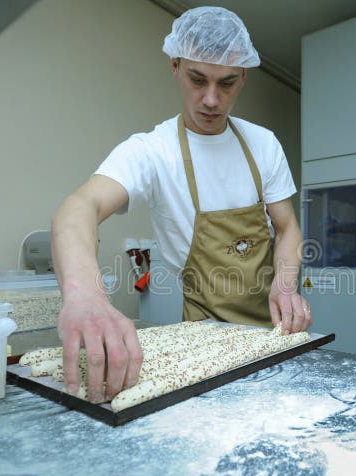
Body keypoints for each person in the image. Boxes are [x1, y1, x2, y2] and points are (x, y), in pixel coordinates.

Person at [51, 6, 311, 404]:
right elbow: (80, 206)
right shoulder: (152, 152)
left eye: (226, 83)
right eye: (197, 79)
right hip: (202, 341)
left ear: (243, 76)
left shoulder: (263, 145)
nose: (211, 99)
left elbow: (287, 227)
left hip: (275, 333)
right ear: (175, 66)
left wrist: (286, 285)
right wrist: (85, 293)